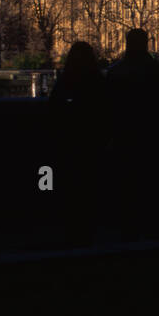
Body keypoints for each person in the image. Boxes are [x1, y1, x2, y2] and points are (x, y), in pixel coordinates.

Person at [105, 28, 159, 238]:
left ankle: (127, 224)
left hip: (124, 135)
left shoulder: (116, 71)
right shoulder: (155, 70)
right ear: (146, 44)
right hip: (150, 134)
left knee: (127, 182)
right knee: (150, 182)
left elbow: (106, 106)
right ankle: (151, 224)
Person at [48, 41, 109, 244]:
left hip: (69, 145)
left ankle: (71, 227)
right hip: (92, 144)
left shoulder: (65, 81)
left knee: (70, 188)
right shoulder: (98, 82)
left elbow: (54, 111)